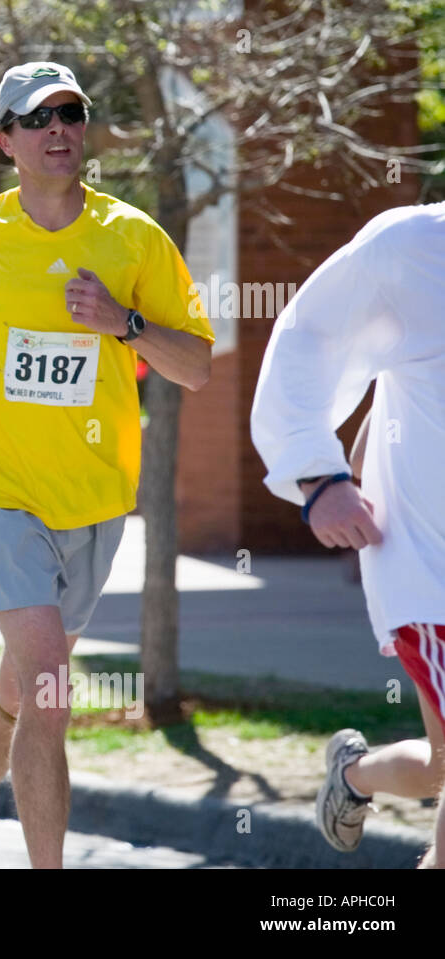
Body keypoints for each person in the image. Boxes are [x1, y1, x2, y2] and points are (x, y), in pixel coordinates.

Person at [0, 61, 214, 868]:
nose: (58, 128)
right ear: (5, 139)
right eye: (38, 118)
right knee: (55, 692)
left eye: (71, 112)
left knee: (22, 691)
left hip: (93, 500)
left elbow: (196, 366)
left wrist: (123, 322)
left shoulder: (133, 237)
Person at [250, 201, 445, 869]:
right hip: (432, 575)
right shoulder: (414, 245)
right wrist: (319, 475)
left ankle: (355, 774)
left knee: (441, 767)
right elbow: (307, 337)